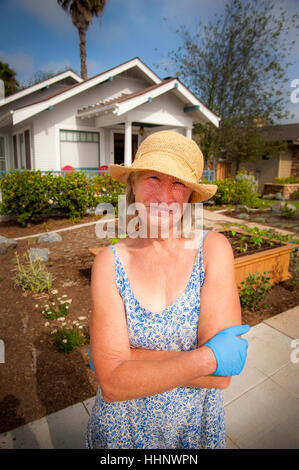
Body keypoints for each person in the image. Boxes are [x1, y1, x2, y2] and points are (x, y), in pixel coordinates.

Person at [86, 130, 250, 449]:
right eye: (152, 177)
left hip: (194, 431)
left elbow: (222, 375)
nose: (164, 194)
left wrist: (127, 360)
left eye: (177, 183)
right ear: (132, 183)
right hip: (122, 433)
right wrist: (206, 358)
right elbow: (112, 386)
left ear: (190, 194)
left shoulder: (213, 250)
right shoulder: (109, 263)